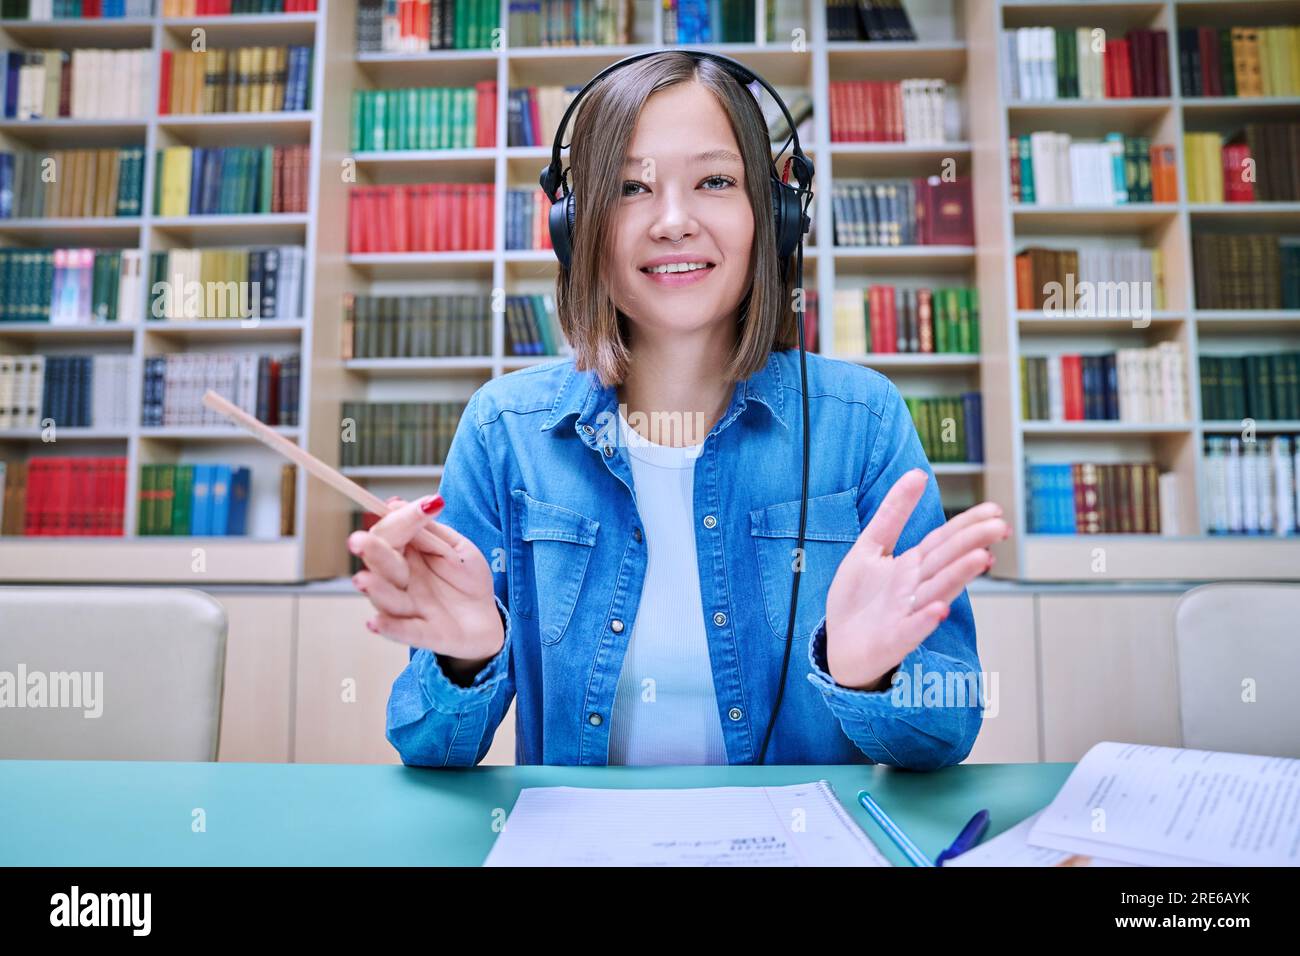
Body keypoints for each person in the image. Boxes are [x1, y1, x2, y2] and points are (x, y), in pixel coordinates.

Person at [348, 51, 1009, 768]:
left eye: (715, 181)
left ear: (775, 214)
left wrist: (870, 673)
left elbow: (950, 726)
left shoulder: (863, 421)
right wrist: (463, 659)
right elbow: (425, 743)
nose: (672, 221)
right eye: (631, 188)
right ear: (579, 227)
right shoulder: (504, 429)